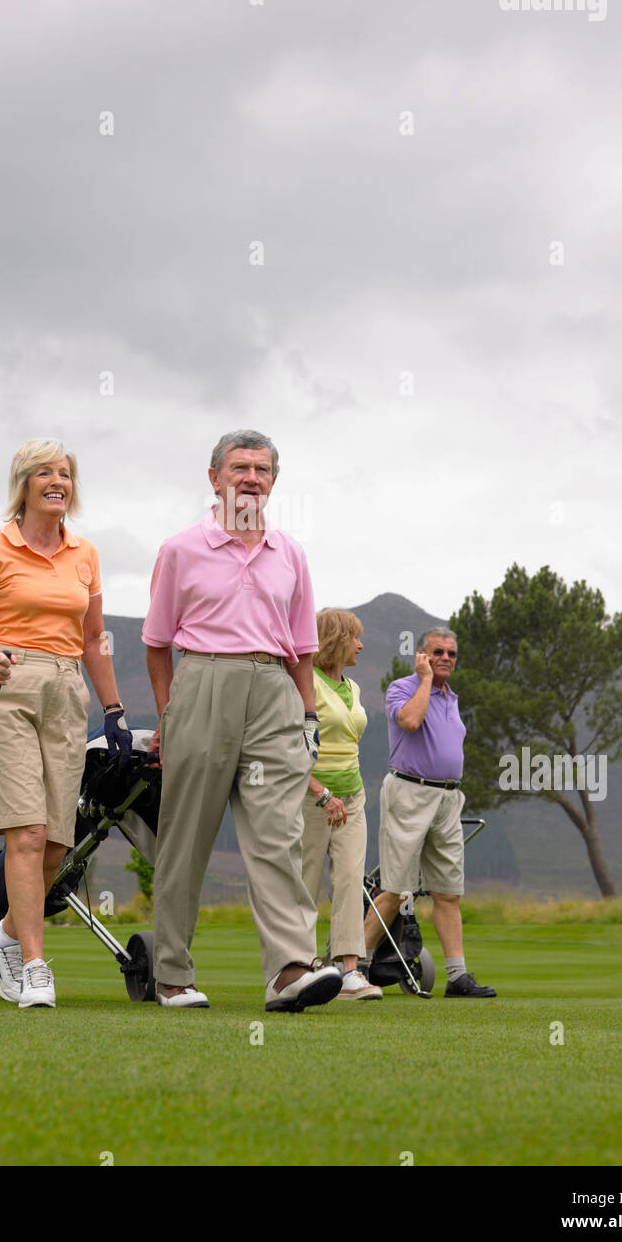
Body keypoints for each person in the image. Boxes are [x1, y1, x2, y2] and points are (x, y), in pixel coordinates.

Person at [142, 429, 342, 1011]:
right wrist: (171, 714)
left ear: (274, 481)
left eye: (261, 469)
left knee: (279, 836)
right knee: (185, 839)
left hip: (276, 692)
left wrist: (307, 717)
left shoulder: (291, 553)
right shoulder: (180, 549)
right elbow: (156, 645)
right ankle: (173, 976)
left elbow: (304, 648)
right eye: (239, 467)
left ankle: (290, 972)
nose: (250, 477)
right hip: (202, 683)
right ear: (215, 478)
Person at [0, 438, 132, 1008]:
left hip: (66, 688)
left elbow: (93, 640)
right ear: (24, 484)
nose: (58, 481)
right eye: (45, 474)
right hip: (8, 685)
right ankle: (33, 965)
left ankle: (3, 938)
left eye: (66, 474)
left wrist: (115, 709)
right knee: (26, 835)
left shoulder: (85, 553)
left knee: (58, 842)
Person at [364, 626, 496, 998]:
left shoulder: (451, 698)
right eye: (437, 652)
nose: (445, 659)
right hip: (410, 792)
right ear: (422, 656)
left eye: (451, 654)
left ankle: (457, 977)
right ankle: (354, 967)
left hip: (447, 800)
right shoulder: (404, 687)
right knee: (395, 888)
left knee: (448, 891)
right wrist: (424, 680)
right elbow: (410, 721)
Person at [301, 609, 382, 1001]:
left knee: (351, 880)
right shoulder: (305, 684)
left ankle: (349, 971)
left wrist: (344, 794)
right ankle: (300, 965)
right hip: (312, 798)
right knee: (306, 882)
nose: (361, 645)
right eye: (354, 638)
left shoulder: (355, 687)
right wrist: (321, 793)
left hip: (353, 797)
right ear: (335, 640)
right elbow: (289, 748)